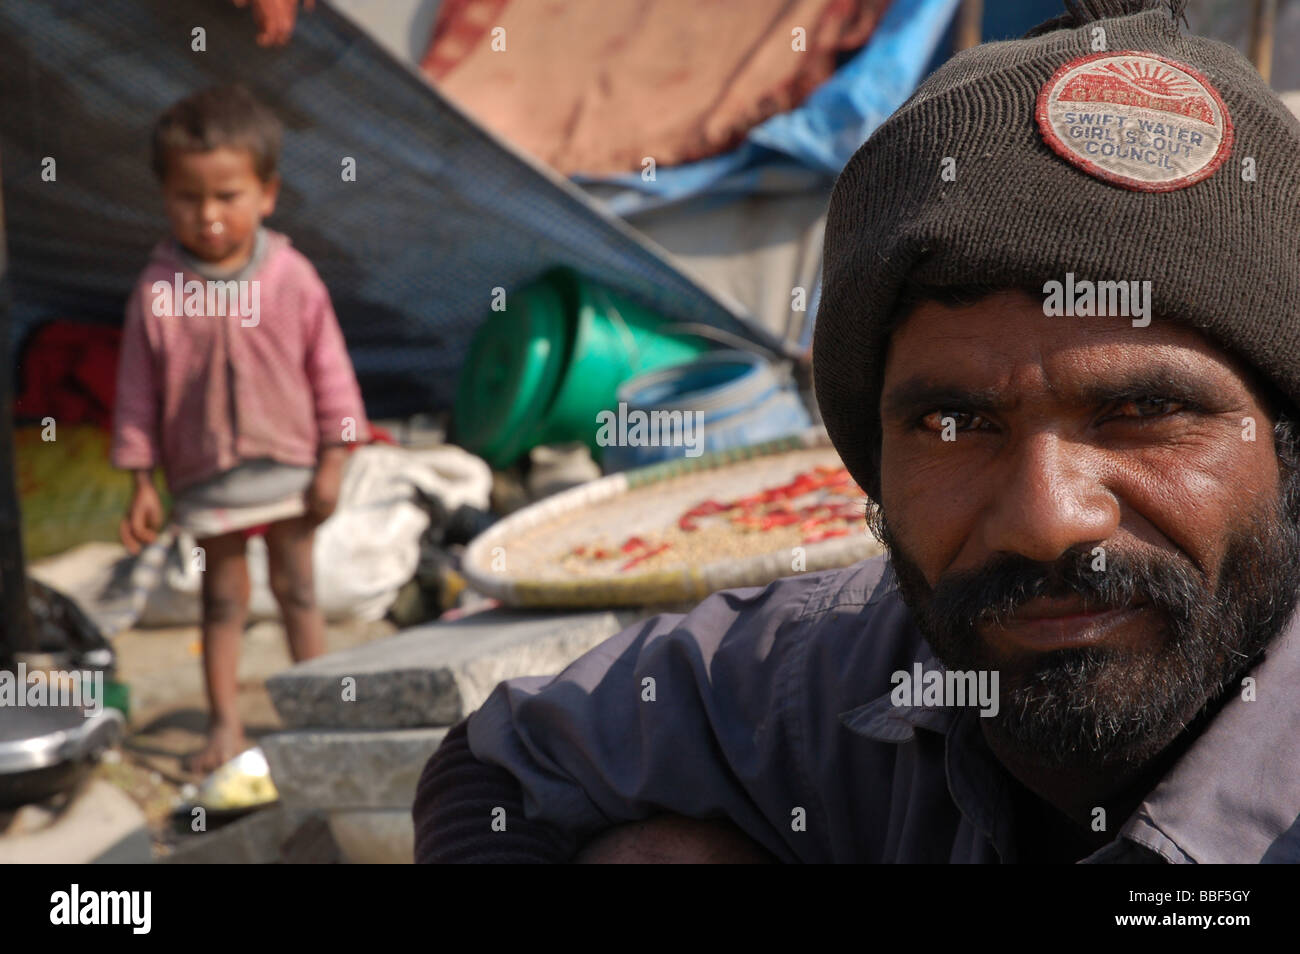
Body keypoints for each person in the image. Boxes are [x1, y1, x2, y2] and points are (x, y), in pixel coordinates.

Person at [413, 0, 1300, 863]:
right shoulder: (847, 671)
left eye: (1144, 413)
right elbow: (504, 768)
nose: (1046, 518)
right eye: (953, 423)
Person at [112, 84, 371, 774]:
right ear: (164, 197)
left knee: (299, 588)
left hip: (290, 466)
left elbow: (333, 373)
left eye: (227, 195)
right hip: (207, 475)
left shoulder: (293, 278)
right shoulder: (156, 291)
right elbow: (136, 393)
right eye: (188, 198)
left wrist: (334, 461)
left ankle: (322, 711)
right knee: (222, 599)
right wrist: (140, 480)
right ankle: (225, 725)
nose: (209, 216)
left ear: (267, 193)